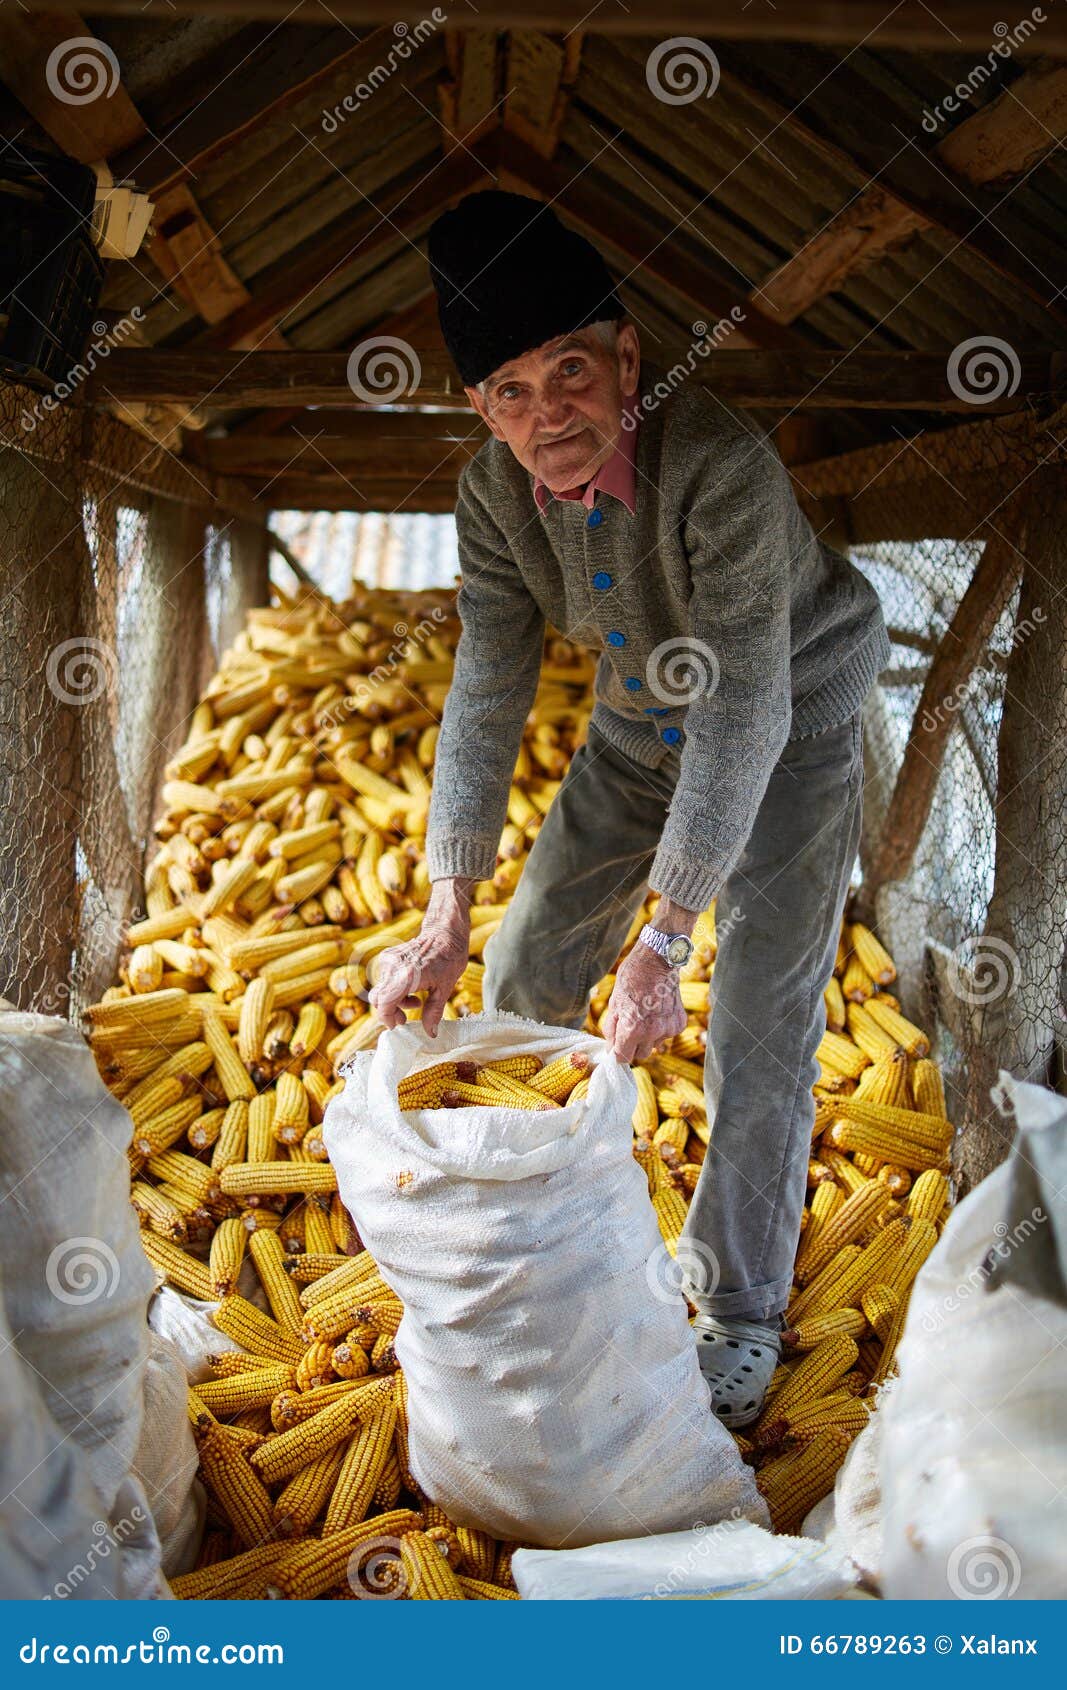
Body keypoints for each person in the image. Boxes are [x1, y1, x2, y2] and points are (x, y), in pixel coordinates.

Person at [369, 190, 891, 1427]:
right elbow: (488, 683)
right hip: (632, 717)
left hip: (791, 718)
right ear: (478, 410)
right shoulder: (492, 496)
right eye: (509, 391)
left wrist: (665, 938)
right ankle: (514, 1228)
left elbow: (745, 712)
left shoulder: (719, 470)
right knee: (519, 957)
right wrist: (444, 903)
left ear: (626, 360)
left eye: (569, 373)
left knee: (757, 1029)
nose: (547, 416)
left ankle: (741, 1310)